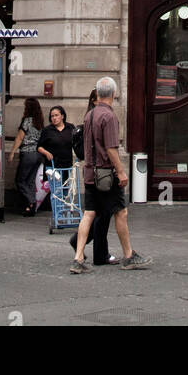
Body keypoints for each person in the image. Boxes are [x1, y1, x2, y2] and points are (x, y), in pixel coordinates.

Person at [71, 76, 151, 273]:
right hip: (105, 174)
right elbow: (111, 148)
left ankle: (78, 258)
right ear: (114, 94)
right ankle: (129, 255)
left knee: (89, 213)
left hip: (89, 171)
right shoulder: (109, 117)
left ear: (98, 94)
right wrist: (121, 172)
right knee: (121, 211)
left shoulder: (89, 115)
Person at [68, 87, 114, 266]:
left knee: (95, 213)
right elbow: (107, 147)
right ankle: (96, 253)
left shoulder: (89, 118)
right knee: (101, 214)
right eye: (98, 98)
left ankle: (82, 248)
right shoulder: (99, 118)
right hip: (100, 172)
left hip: (90, 171)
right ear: (94, 101)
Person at [9, 97, 44, 214]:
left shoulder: (27, 121)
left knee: (20, 181)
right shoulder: (39, 122)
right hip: (38, 154)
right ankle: (30, 207)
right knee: (30, 181)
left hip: (28, 153)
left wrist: (13, 152)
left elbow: (20, 137)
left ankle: (31, 201)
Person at [38, 104, 75, 169]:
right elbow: (39, 147)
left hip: (67, 165)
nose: (54, 118)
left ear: (62, 116)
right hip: (51, 166)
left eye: (56, 115)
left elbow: (76, 143)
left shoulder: (70, 127)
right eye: (52, 116)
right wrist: (46, 153)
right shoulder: (47, 130)